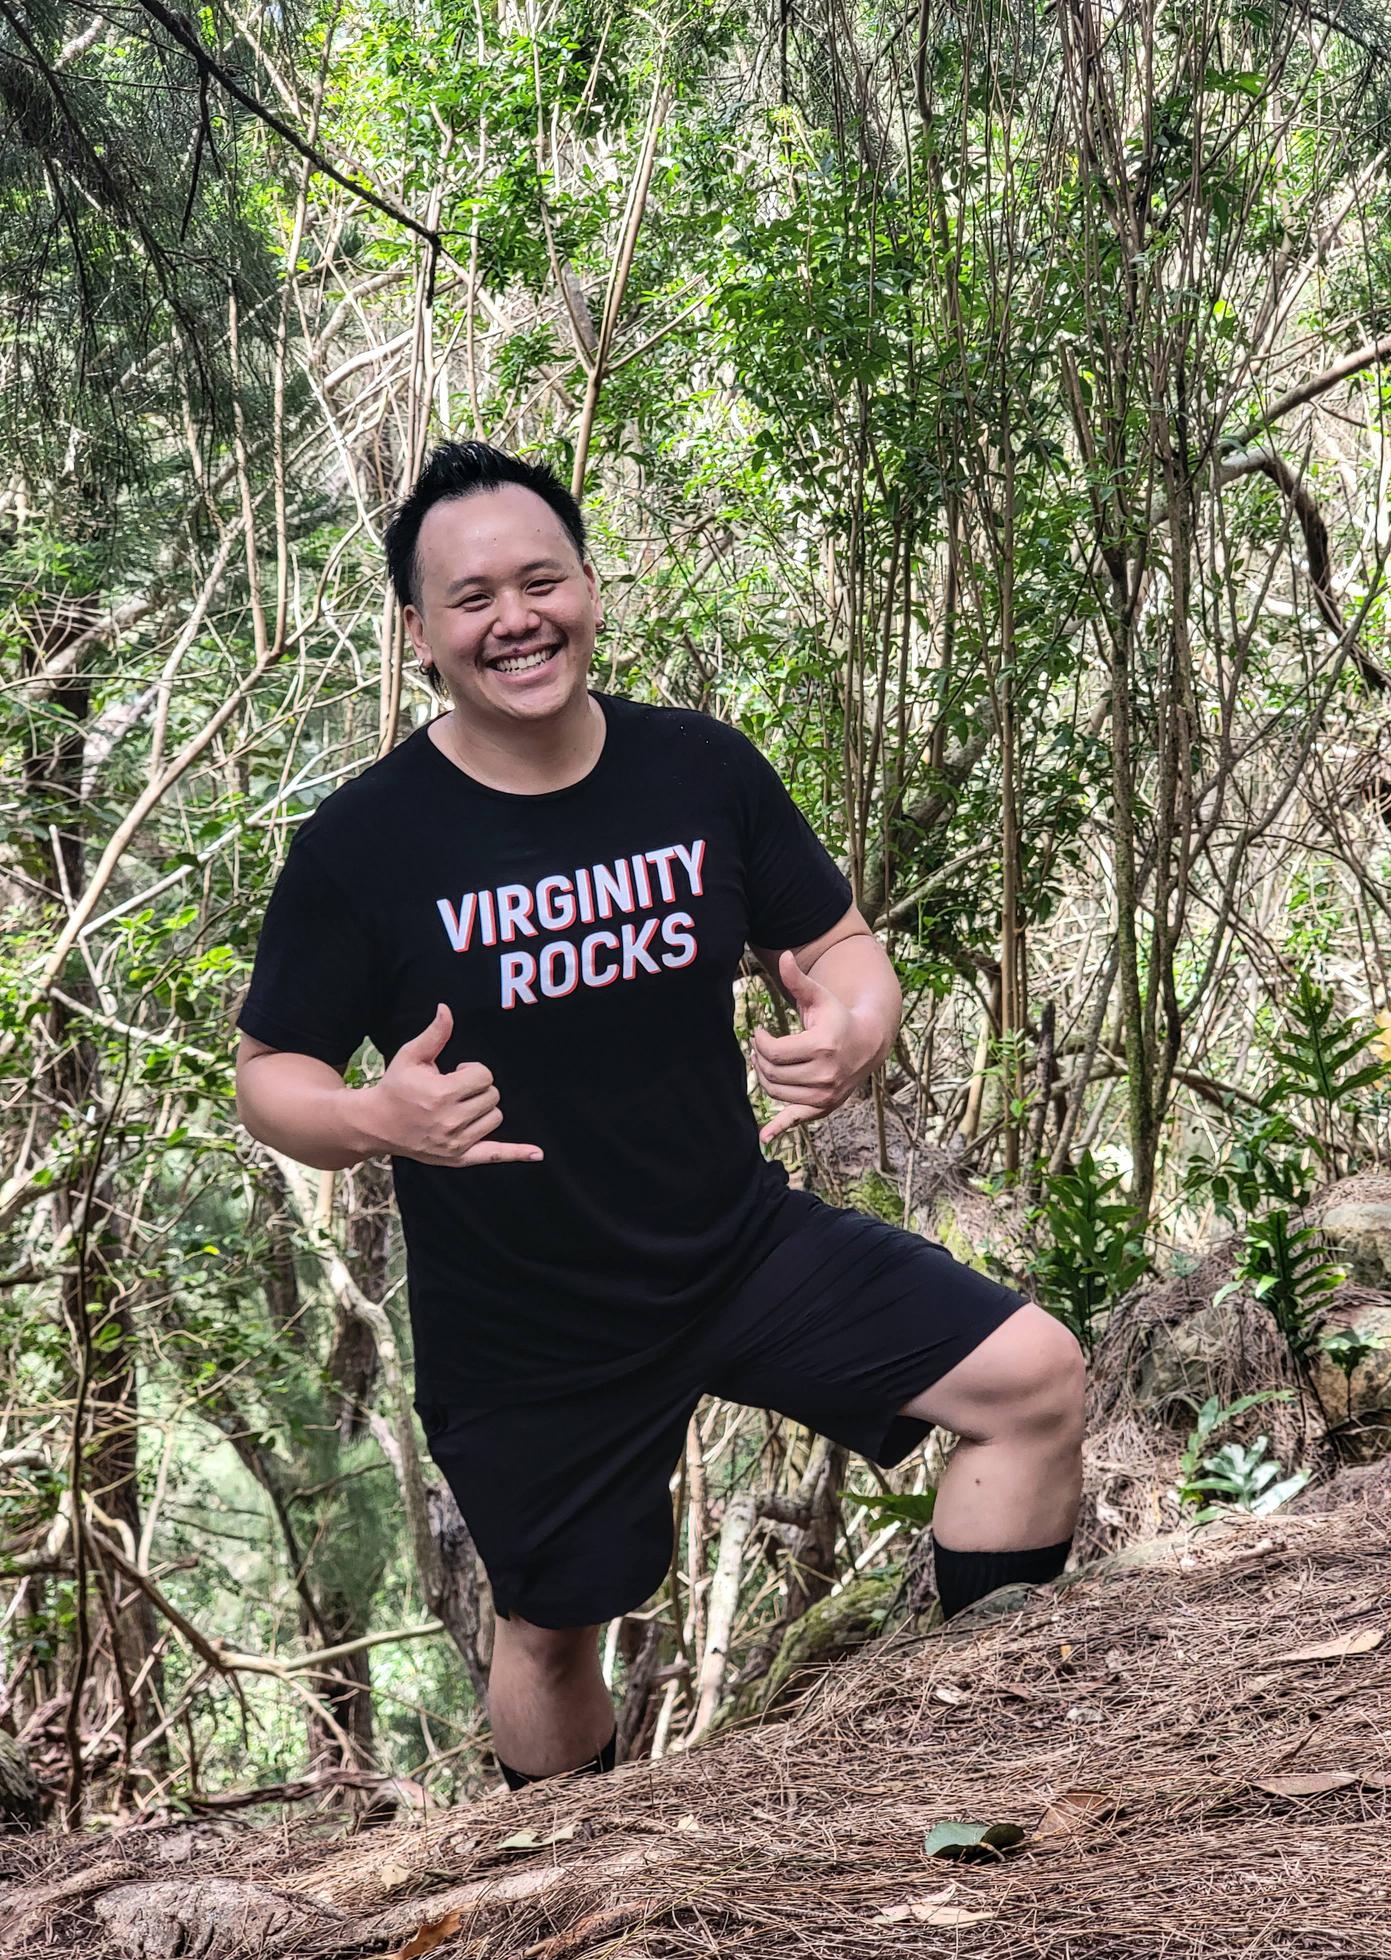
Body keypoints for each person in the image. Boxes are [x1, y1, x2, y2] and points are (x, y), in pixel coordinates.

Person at [234, 440, 1084, 1790]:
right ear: (420, 635)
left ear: (587, 589)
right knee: (557, 1635)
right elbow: (268, 1069)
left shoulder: (700, 770)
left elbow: (845, 944)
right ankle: (572, 1893)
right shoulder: (366, 845)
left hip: (733, 1245)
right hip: (526, 1317)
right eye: (472, 600)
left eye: (542, 580)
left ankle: (993, 1763)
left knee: (1032, 1385)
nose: (516, 619)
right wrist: (375, 1116)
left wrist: (852, 1030)